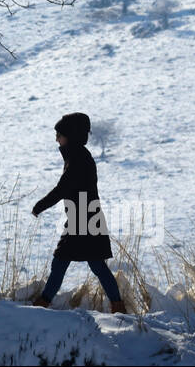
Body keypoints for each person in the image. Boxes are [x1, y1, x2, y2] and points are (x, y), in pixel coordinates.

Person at [30, 112, 127, 314]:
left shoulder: (78, 159)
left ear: (70, 135)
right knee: (93, 265)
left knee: (65, 263)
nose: (56, 138)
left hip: (84, 221)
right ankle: (118, 309)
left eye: (60, 134)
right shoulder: (78, 156)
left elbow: (62, 189)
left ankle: (40, 307)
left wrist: (40, 205)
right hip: (84, 218)